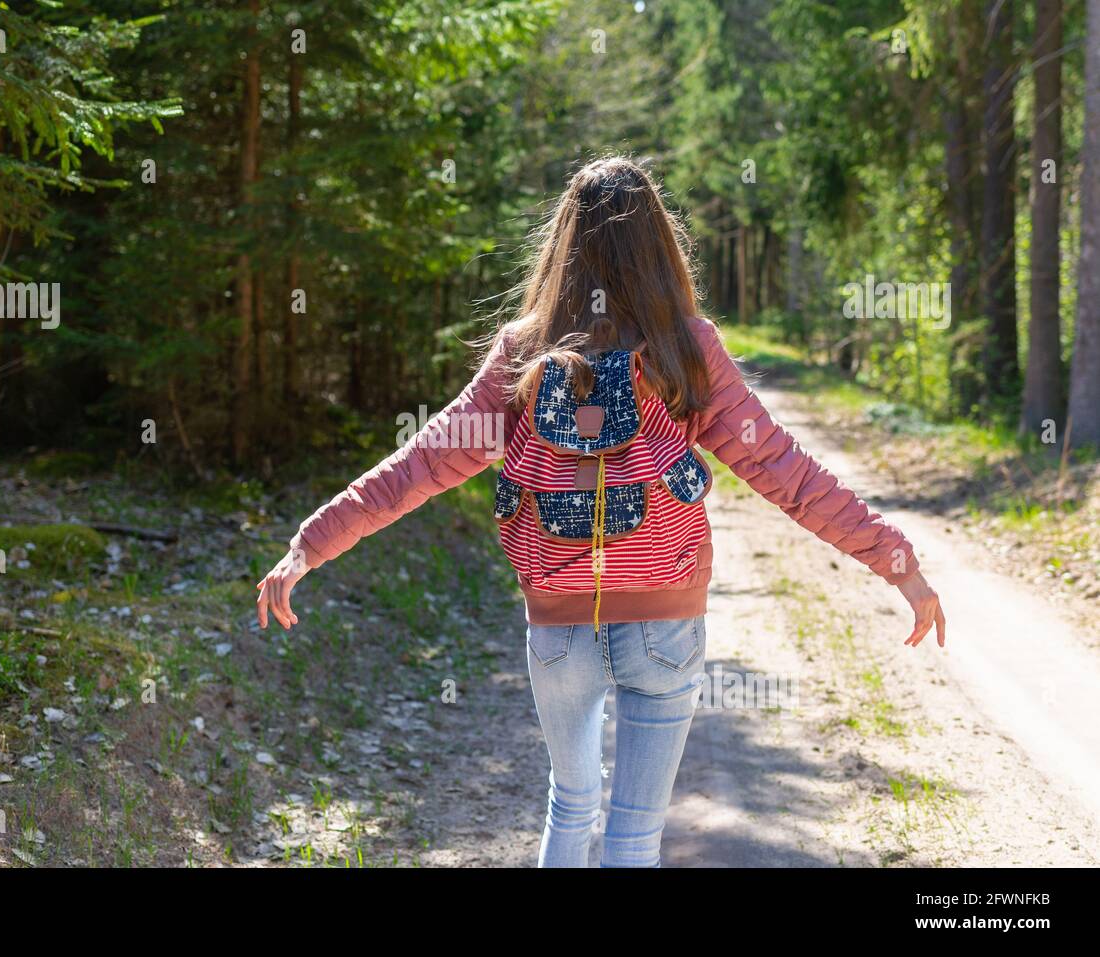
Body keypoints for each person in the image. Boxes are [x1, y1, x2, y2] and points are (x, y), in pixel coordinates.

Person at [255, 155, 946, 867]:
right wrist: (897, 560)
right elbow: (786, 472)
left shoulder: (524, 352)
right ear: (660, 245)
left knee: (570, 798)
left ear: (563, 244)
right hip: (664, 621)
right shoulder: (686, 350)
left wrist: (310, 543)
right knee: (634, 833)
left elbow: (422, 463)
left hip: (558, 625)